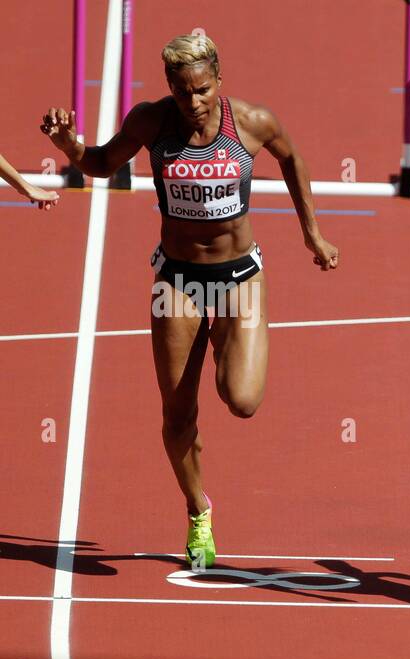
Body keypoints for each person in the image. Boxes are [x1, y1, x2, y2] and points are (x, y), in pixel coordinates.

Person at [41, 34, 338, 568]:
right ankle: (198, 511)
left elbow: (293, 160)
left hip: (239, 276)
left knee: (242, 400)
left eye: (201, 90)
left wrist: (311, 233)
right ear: (169, 90)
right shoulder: (152, 122)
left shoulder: (251, 122)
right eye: (182, 92)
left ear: (218, 80)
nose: (193, 102)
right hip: (176, 282)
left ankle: (227, 339)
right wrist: (70, 149)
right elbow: (105, 164)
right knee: (177, 415)